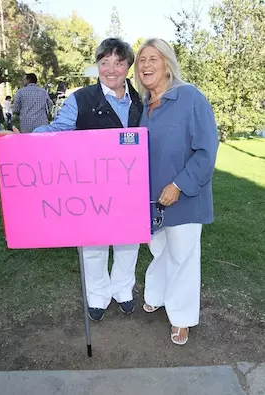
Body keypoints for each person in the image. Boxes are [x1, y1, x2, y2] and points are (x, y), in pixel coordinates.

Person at [0, 38, 143, 322]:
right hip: (90, 187)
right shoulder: (80, 99)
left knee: (127, 241)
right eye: (104, 62)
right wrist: (21, 140)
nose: (111, 69)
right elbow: (57, 130)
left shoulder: (140, 101)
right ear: (97, 65)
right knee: (94, 244)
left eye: (118, 63)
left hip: (128, 188)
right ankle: (97, 296)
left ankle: (123, 289)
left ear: (127, 67)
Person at [134, 38, 219, 345]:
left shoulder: (189, 97)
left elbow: (206, 150)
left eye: (153, 59)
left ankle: (181, 317)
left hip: (184, 197)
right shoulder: (142, 105)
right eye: (141, 60)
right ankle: (157, 293)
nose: (146, 65)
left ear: (167, 64)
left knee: (182, 256)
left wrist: (179, 184)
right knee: (159, 251)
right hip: (150, 200)